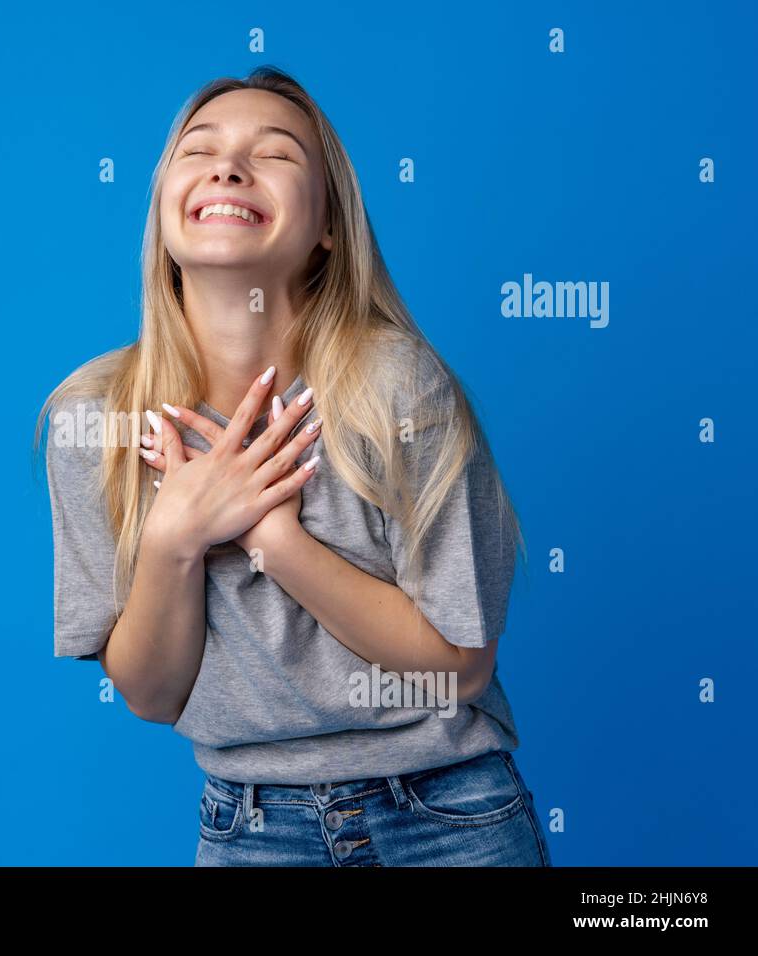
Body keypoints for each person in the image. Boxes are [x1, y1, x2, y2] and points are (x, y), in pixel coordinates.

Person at [35, 66, 550, 867]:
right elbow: (151, 693)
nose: (228, 167)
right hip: (250, 830)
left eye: (272, 154)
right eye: (198, 150)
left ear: (328, 229)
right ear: (166, 207)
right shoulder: (95, 417)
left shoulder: (398, 389)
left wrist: (275, 541)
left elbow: (460, 667)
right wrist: (175, 538)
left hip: (445, 814)